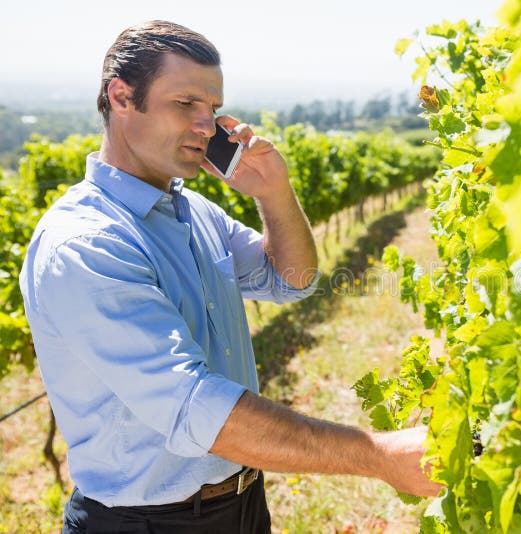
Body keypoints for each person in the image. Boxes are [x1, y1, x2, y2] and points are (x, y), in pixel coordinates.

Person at [19, 20, 441, 533]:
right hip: (144, 524)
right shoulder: (86, 244)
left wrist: (274, 191)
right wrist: (378, 455)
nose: (206, 125)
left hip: (241, 502)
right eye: (186, 104)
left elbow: (292, 280)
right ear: (123, 97)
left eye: (213, 110)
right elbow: (193, 406)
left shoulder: (193, 211)